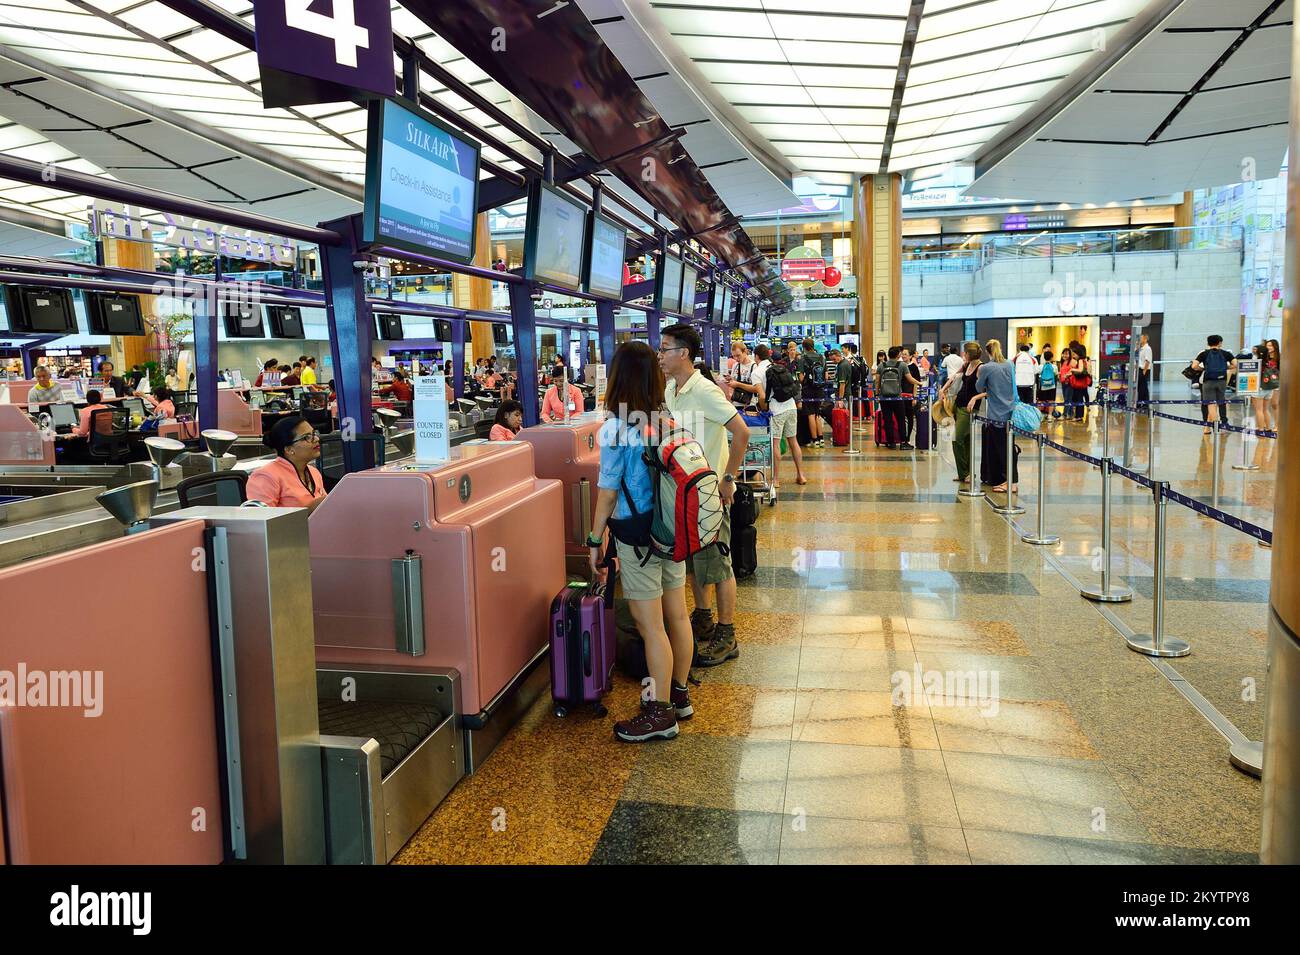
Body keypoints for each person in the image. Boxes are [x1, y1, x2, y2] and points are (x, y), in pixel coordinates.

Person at [588, 341, 695, 742]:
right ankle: (679, 696)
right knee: (677, 617)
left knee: (651, 629)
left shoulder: (616, 428)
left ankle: (659, 712)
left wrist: (594, 539)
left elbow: (608, 493)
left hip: (636, 537)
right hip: (671, 529)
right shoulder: (666, 418)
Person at [659, 323, 749, 667]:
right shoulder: (672, 390)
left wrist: (729, 478)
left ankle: (728, 635)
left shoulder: (705, 390)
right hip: (685, 494)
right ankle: (704, 617)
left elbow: (740, 432)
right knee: (696, 564)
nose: (660, 355)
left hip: (710, 493)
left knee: (718, 565)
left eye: (665, 348)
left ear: (683, 353)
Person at [246, 416, 326, 511]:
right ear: (289, 449)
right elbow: (263, 521)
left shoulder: (314, 472)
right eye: (307, 437)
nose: (316, 439)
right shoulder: (265, 476)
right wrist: (308, 511)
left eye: (314, 433)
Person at [972, 340, 1019, 493]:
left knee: (1001, 450)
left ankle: (1010, 482)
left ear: (987, 352)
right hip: (1011, 412)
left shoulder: (987, 367)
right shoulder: (1010, 365)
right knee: (1010, 447)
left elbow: (978, 387)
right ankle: (1010, 481)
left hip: (996, 414)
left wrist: (981, 378)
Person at [756, 343, 805, 488]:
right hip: (790, 407)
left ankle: (776, 479)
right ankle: (801, 475)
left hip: (776, 411)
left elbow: (762, 396)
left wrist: (764, 409)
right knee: (793, 441)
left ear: (756, 356)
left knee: (775, 443)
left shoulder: (757, 371)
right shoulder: (778, 366)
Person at [941, 342, 982, 484]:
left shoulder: (980, 368)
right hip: (959, 405)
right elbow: (953, 377)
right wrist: (943, 389)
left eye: (964, 353)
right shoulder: (966, 365)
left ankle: (966, 472)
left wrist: (975, 398)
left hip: (969, 408)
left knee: (956, 438)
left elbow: (987, 389)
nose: (963, 355)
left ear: (969, 354)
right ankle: (964, 473)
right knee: (965, 440)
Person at [1192, 334, 1236, 433]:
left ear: (1208, 343)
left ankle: (1216, 425)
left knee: (1210, 404)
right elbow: (1235, 364)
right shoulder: (1226, 353)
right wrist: (1226, 367)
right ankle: (1223, 423)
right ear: (1220, 343)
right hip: (1222, 381)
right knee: (1221, 402)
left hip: (1208, 381)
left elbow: (1194, 366)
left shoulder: (1204, 353)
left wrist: (1203, 368)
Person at [796, 337, 827, 447]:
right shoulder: (821, 357)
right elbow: (826, 376)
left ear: (804, 347)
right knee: (817, 414)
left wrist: (804, 382)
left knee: (810, 414)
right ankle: (821, 438)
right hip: (819, 389)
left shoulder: (802, 359)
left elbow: (800, 377)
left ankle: (814, 440)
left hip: (808, 389)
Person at [726, 340, 761, 412]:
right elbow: (733, 383)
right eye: (734, 356)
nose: (736, 358)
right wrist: (730, 380)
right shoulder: (735, 365)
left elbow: (757, 389)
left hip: (750, 406)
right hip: (735, 404)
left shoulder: (754, 367)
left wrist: (738, 384)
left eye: (738, 355)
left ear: (745, 351)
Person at [1262, 339, 1281, 428]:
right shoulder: (1264, 356)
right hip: (1265, 383)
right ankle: (1266, 425)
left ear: (1275, 346)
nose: (1268, 347)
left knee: (1275, 404)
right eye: (1267, 345)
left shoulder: (1279, 357)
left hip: (1275, 383)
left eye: (1270, 345)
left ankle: (1277, 425)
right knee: (1265, 406)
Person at [1037, 346, 1058, 417]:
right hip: (1052, 386)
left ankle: (1040, 415)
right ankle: (1050, 415)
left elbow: (1038, 372)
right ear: (1052, 358)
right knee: (1051, 400)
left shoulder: (1041, 366)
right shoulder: (1054, 366)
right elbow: (1056, 374)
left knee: (1041, 400)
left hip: (1043, 386)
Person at [1137, 334, 1153, 407]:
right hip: (1139, 369)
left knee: (1143, 387)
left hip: (1144, 369)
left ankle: (1143, 403)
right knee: (1141, 387)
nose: (1139, 340)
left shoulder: (1147, 348)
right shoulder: (1141, 348)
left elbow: (1148, 361)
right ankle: (1143, 403)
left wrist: (1144, 371)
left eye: (1141, 338)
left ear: (1145, 339)